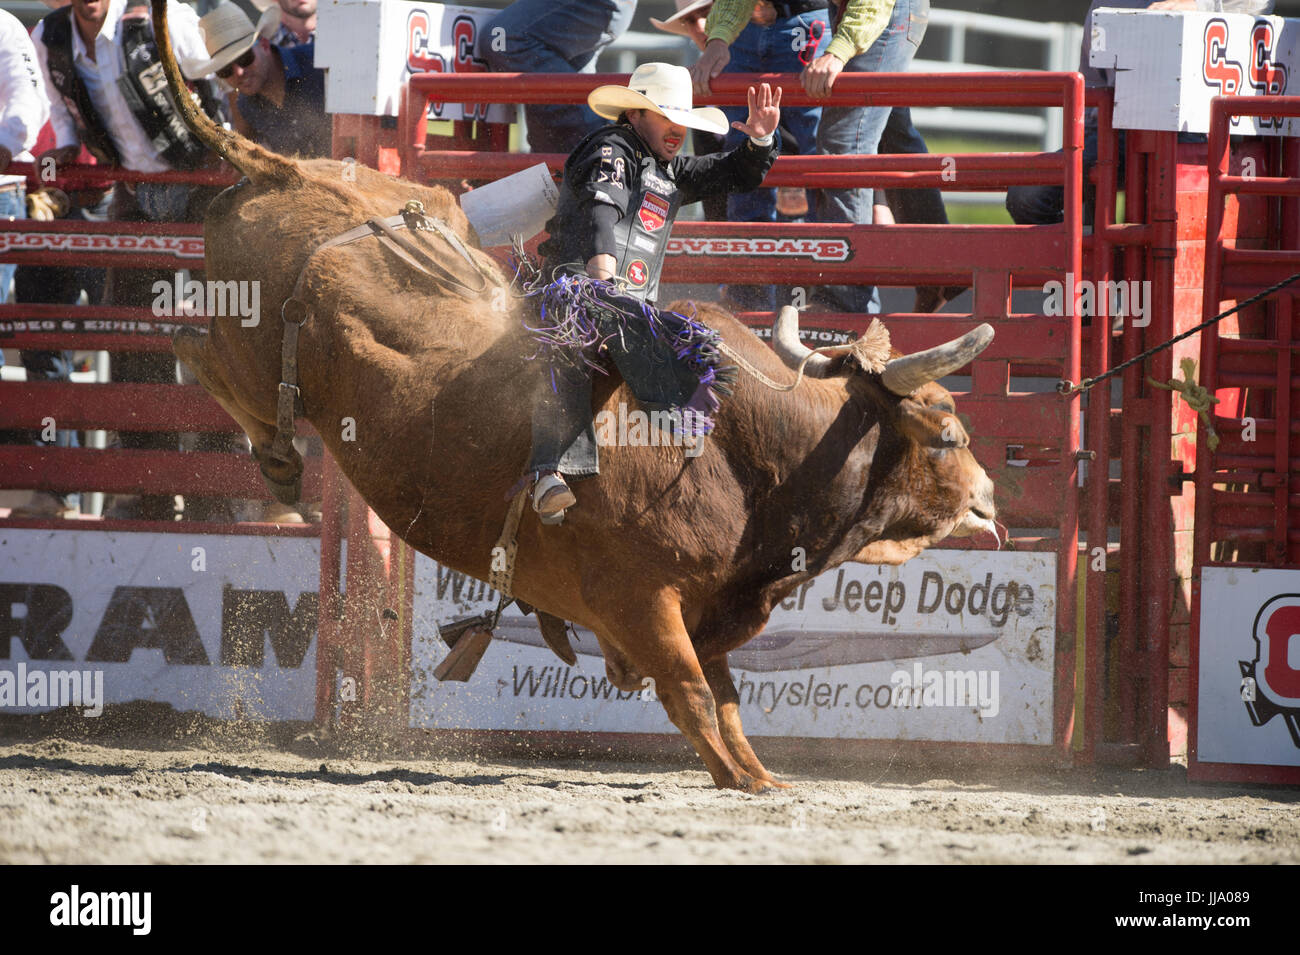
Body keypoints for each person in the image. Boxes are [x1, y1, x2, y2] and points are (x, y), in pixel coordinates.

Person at [524, 63, 781, 522]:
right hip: (577, 289)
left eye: (682, 120)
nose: (678, 129)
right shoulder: (610, 148)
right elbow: (603, 210)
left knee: (700, 355)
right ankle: (549, 470)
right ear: (638, 114)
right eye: (667, 117)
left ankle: (684, 452)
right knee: (568, 342)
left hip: (630, 306)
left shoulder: (668, 168)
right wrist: (603, 280)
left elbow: (733, 172)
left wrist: (759, 140)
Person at [32, 0, 227, 521]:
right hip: (139, 189)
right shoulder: (51, 35)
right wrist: (69, 145)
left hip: (202, 182)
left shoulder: (159, 16)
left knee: (224, 325)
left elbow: (215, 73)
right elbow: (59, 106)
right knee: (135, 336)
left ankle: (219, 484)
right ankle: (155, 484)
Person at [1006, 0, 1275, 226]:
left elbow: (1259, 3)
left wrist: (1197, 4)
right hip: (1116, 133)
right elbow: (1093, 87)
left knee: (1160, 229)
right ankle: (1082, 271)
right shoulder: (1108, 4)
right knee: (1028, 195)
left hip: (1192, 132)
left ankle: (1102, 270)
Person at [688, 1, 831, 310]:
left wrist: (721, 35)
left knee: (817, 153)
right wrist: (720, 35)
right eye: (691, 22)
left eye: (699, 18)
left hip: (794, 17)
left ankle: (824, 287)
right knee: (744, 149)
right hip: (766, 22)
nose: (696, 27)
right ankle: (752, 292)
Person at [478, 0, 639, 155]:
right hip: (608, 8)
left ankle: (605, 142)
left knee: (501, 36)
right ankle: (599, 156)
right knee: (552, 137)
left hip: (594, 5)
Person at [185, 3, 330, 159]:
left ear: (264, 44)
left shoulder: (318, 64)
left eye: (245, 58)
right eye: (225, 70)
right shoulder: (246, 107)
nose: (239, 72)